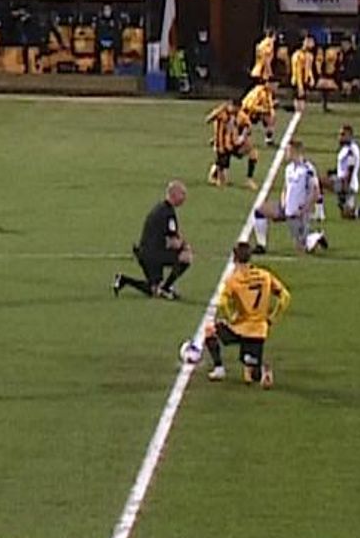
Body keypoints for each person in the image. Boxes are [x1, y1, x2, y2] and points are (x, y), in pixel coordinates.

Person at [199, 243, 290, 386]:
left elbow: (223, 303)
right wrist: (272, 318)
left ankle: (219, 368)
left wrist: (231, 317)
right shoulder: (265, 275)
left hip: (239, 328)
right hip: (258, 331)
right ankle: (260, 370)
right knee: (250, 376)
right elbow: (285, 297)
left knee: (210, 330)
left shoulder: (233, 280)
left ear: (235, 259)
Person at [112, 180, 193, 300]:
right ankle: (165, 288)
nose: (184, 198)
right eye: (183, 194)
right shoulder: (168, 213)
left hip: (145, 254)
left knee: (153, 290)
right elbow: (174, 242)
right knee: (186, 257)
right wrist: (185, 246)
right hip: (154, 256)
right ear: (174, 195)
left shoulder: (160, 208)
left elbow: (173, 234)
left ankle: (124, 280)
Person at [248, 139, 328, 255]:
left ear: (295, 151)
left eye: (288, 150)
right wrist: (283, 201)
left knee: (302, 247)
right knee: (260, 211)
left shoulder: (308, 170)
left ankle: (316, 237)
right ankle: (261, 245)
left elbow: (316, 192)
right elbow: (286, 187)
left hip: (298, 211)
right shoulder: (289, 168)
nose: (286, 153)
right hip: (286, 207)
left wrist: (305, 209)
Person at [206, 98, 257, 188]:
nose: (236, 110)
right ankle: (216, 171)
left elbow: (248, 126)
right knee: (222, 183)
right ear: (230, 105)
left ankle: (249, 180)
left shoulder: (240, 115)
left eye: (238, 108)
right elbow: (208, 120)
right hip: (221, 147)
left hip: (234, 144)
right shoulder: (221, 112)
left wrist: (242, 136)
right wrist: (219, 110)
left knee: (252, 151)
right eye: (234, 108)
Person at [241, 81, 278, 146]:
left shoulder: (268, 92)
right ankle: (241, 138)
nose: (276, 88)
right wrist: (263, 110)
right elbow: (250, 105)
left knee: (270, 118)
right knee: (247, 127)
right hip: (247, 110)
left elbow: (269, 106)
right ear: (269, 84)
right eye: (275, 85)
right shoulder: (260, 91)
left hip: (255, 111)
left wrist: (271, 109)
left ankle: (268, 139)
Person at [289, 34, 316, 113]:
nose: (312, 43)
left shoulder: (310, 55)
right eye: (310, 41)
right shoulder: (298, 55)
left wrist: (311, 78)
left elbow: (309, 68)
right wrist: (300, 86)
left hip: (305, 80)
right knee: (299, 101)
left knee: (303, 101)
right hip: (297, 80)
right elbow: (298, 72)